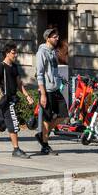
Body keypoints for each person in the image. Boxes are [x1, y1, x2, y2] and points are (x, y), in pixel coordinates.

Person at [0, 42, 34, 158]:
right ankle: (16, 149)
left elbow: (19, 84)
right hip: (5, 101)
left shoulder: (14, 67)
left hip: (12, 98)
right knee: (13, 123)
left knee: (2, 122)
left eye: (16, 52)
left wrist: (27, 96)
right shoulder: (1, 66)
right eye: (13, 52)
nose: (15, 55)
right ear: (7, 53)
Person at [34, 26, 64, 156]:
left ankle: (42, 135)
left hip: (55, 88)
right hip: (46, 90)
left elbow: (52, 71)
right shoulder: (42, 53)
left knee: (63, 115)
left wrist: (59, 80)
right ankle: (45, 146)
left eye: (57, 36)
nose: (57, 38)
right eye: (54, 37)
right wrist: (43, 94)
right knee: (47, 118)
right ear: (47, 38)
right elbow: (39, 74)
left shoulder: (53, 52)